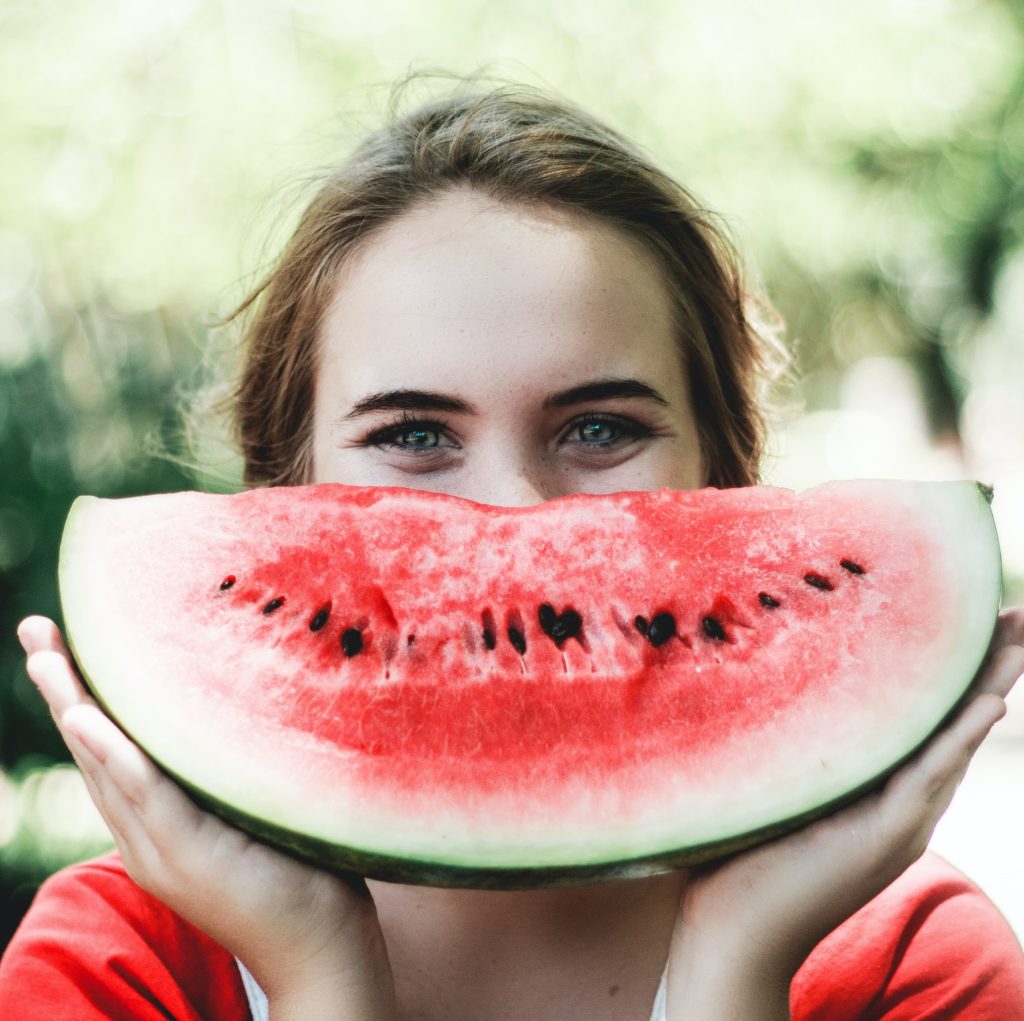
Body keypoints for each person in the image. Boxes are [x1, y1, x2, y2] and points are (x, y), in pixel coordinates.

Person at [5, 81, 1024, 1021]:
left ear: (726, 473)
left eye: (599, 428)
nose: (512, 513)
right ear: (283, 490)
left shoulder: (909, 962)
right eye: (413, 433)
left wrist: (736, 965)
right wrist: (316, 967)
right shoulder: (117, 964)